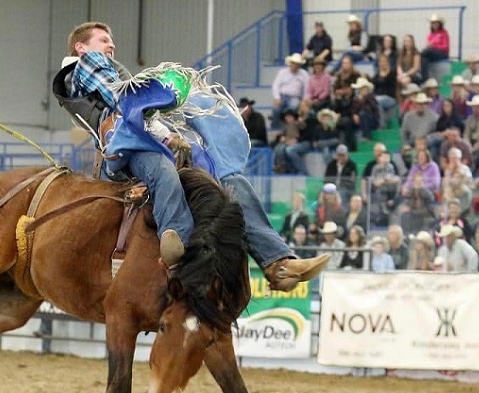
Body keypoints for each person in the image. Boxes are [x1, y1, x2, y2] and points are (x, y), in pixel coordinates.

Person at [54, 22, 329, 290]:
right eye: (103, 39)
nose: (111, 44)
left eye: (110, 40)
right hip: (124, 149)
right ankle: (178, 243)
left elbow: (135, 105)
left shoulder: (105, 68)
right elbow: (123, 100)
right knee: (163, 169)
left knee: (231, 181)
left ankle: (278, 262)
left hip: (141, 138)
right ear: (81, 46)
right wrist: (167, 134)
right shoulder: (88, 64)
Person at [271, 53, 309, 126]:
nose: (295, 65)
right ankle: (275, 126)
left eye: (297, 64)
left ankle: (286, 124)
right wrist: (277, 98)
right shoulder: (282, 72)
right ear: (290, 63)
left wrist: (304, 100)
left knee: (293, 106)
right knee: (275, 109)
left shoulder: (304, 74)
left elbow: (307, 89)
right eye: (294, 63)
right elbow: (275, 86)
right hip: (282, 96)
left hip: (295, 97)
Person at [420, 14, 450, 80]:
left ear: (440, 24)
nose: (435, 25)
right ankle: (425, 78)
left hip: (442, 53)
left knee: (425, 52)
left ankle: (424, 77)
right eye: (433, 23)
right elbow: (428, 45)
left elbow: (445, 47)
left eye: (436, 23)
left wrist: (434, 46)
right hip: (432, 53)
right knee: (425, 58)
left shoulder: (444, 33)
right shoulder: (430, 35)